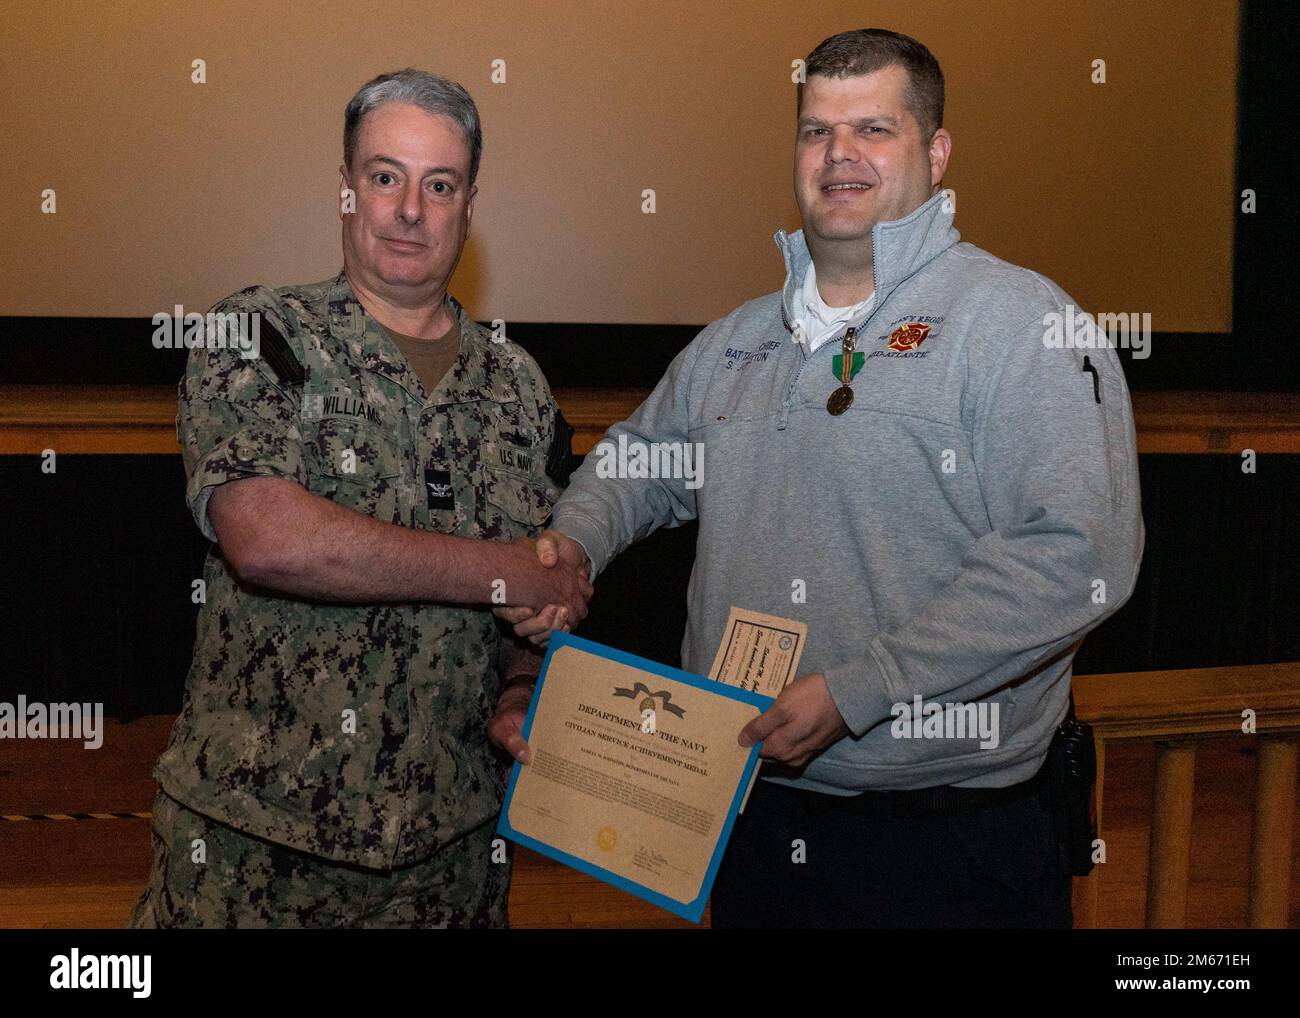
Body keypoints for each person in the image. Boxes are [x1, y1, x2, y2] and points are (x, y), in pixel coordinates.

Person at [496, 29, 1144, 928]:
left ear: (937, 151)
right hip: (748, 812)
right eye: (815, 132)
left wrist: (860, 690)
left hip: (946, 844)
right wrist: (571, 544)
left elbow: (1077, 558)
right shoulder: (736, 339)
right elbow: (639, 465)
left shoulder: (1022, 324)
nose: (839, 154)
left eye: (873, 129)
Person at [128, 69, 591, 929]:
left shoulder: (519, 387)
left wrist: (523, 685)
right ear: (346, 190)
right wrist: (504, 574)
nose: (410, 208)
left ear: (468, 205)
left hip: (449, 864)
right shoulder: (260, 335)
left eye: (439, 184)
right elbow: (265, 538)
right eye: (385, 177)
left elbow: (541, 595)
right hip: (254, 857)